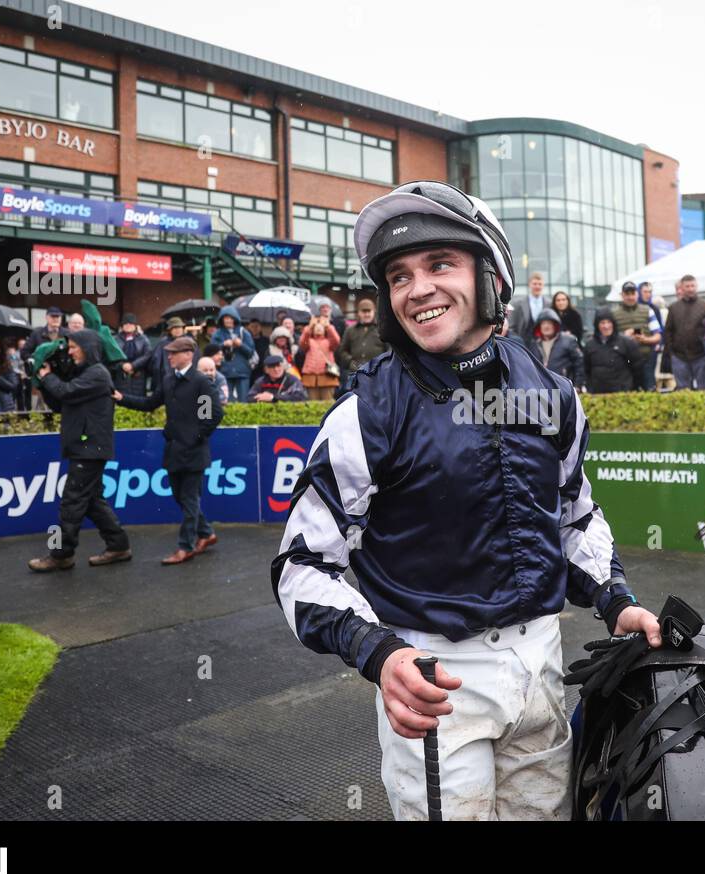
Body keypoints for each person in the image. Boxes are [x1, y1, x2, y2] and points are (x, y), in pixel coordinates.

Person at [274, 180, 659, 822]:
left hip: (543, 666)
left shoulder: (555, 394)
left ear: (492, 278)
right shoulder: (364, 411)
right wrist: (381, 652)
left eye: (440, 264)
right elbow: (302, 565)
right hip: (436, 678)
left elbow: (574, 516)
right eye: (398, 276)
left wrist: (618, 601)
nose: (416, 288)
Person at [114, 335, 224, 565]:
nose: (169, 356)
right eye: (169, 353)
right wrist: (121, 398)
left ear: (188, 355)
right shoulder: (168, 380)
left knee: (189, 499)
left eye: (174, 353)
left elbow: (212, 415)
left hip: (193, 453)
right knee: (181, 497)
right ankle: (206, 533)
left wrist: (196, 438)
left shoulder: (200, 382)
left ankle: (186, 547)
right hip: (174, 451)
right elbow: (150, 403)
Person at [29, 330, 131, 571]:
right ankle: (118, 545)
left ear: (89, 348)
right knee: (92, 500)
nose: (70, 351)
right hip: (87, 448)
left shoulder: (97, 374)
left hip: (89, 448)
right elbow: (60, 402)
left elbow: (65, 391)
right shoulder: (86, 374)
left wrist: (46, 377)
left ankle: (61, 554)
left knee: (71, 501)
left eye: (74, 347)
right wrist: (45, 380)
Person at [664, 274, 705, 390]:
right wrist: (672, 352)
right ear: (682, 287)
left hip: (701, 355)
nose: (690, 289)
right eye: (687, 286)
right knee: (682, 390)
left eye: (693, 286)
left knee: (703, 389)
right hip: (679, 356)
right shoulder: (674, 307)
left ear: (696, 286)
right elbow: (668, 331)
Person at [611, 280, 660, 392]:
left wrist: (644, 339)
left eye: (632, 293)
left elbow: (658, 336)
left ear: (637, 294)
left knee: (649, 390)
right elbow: (610, 339)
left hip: (645, 358)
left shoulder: (648, 310)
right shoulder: (614, 314)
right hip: (623, 362)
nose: (630, 297)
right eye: (627, 294)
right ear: (622, 295)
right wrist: (624, 336)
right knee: (626, 392)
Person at [583, 308, 640, 393]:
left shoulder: (626, 342)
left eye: (609, 322)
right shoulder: (590, 345)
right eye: (602, 323)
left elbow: (637, 367)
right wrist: (590, 388)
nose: (606, 326)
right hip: (597, 393)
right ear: (597, 325)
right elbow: (586, 369)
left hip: (622, 392)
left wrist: (631, 388)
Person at [528, 308, 585, 388]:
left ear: (555, 325)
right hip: (540, 389)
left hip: (563, 388)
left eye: (549, 323)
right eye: (543, 323)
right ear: (539, 326)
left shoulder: (568, 340)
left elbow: (579, 364)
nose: (546, 326)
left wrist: (577, 385)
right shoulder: (534, 345)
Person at [336, 299, 388, 387]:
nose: (367, 314)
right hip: (356, 374)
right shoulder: (350, 330)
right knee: (356, 399)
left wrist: (381, 365)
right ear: (359, 313)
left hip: (378, 374)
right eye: (364, 312)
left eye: (369, 311)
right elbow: (342, 351)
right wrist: (350, 362)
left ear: (374, 312)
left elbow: (389, 351)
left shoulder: (382, 329)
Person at [211, 305, 255, 402]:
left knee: (243, 402)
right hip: (224, 372)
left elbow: (250, 353)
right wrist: (223, 345)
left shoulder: (244, 332)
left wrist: (240, 345)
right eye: (226, 318)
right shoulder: (217, 334)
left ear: (235, 319)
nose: (228, 320)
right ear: (222, 320)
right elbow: (211, 351)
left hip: (242, 372)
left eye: (231, 318)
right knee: (227, 401)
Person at [134, 316, 187, 393]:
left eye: (179, 327)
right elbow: (155, 363)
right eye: (174, 328)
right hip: (166, 382)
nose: (177, 330)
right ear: (169, 330)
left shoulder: (189, 342)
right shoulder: (163, 344)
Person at [298, 315, 340, 401]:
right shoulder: (309, 341)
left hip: (327, 376)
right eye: (316, 327)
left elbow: (336, 340)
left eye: (321, 327)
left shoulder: (329, 342)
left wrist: (328, 326)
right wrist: (309, 327)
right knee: (312, 404)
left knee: (327, 404)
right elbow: (302, 342)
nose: (318, 329)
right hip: (311, 378)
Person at [637, 281, 665, 389]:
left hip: (651, 348)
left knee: (649, 378)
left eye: (650, 292)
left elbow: (660, 329)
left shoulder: (654, 308)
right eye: (645, 291)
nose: (647, 294)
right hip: (635, 348)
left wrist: (659, 344)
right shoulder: (635, 307)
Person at [114, 313, 150, 397]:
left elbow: (147, 355)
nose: (128, 325)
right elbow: (112, 356)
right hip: (120, 376)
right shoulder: (115, 339)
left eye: (130, 323)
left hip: (138, 376)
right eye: (125, 323)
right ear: (122, 326)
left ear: (135, 325)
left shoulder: (143, 339)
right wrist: (123, 365)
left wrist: (133, 365)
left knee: (138, 401)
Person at [507, 271, 546, 338]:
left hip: (544, 344)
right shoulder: (517, 304)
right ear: (529, 285)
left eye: (540, 284)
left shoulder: (549, 304)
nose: (537, 286)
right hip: (523, 342)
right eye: (535, 284)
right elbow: (511, 326)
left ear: (543, 285)